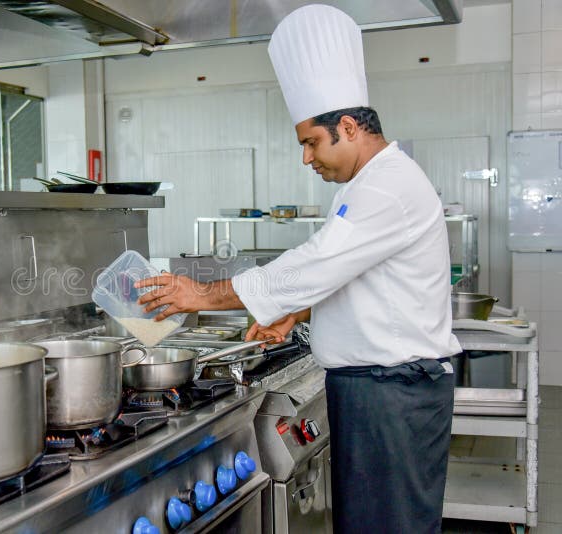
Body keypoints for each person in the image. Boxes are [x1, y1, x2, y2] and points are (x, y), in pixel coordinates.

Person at [135, 5, 461, 533]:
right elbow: (348, 273)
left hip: (392, 397)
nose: (307, 158)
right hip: (379, 392)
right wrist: (295, 312)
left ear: (349, 127)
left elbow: (314, 263)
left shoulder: (386, 186)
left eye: (311, 141)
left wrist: (201, 294)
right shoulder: (366, 185)